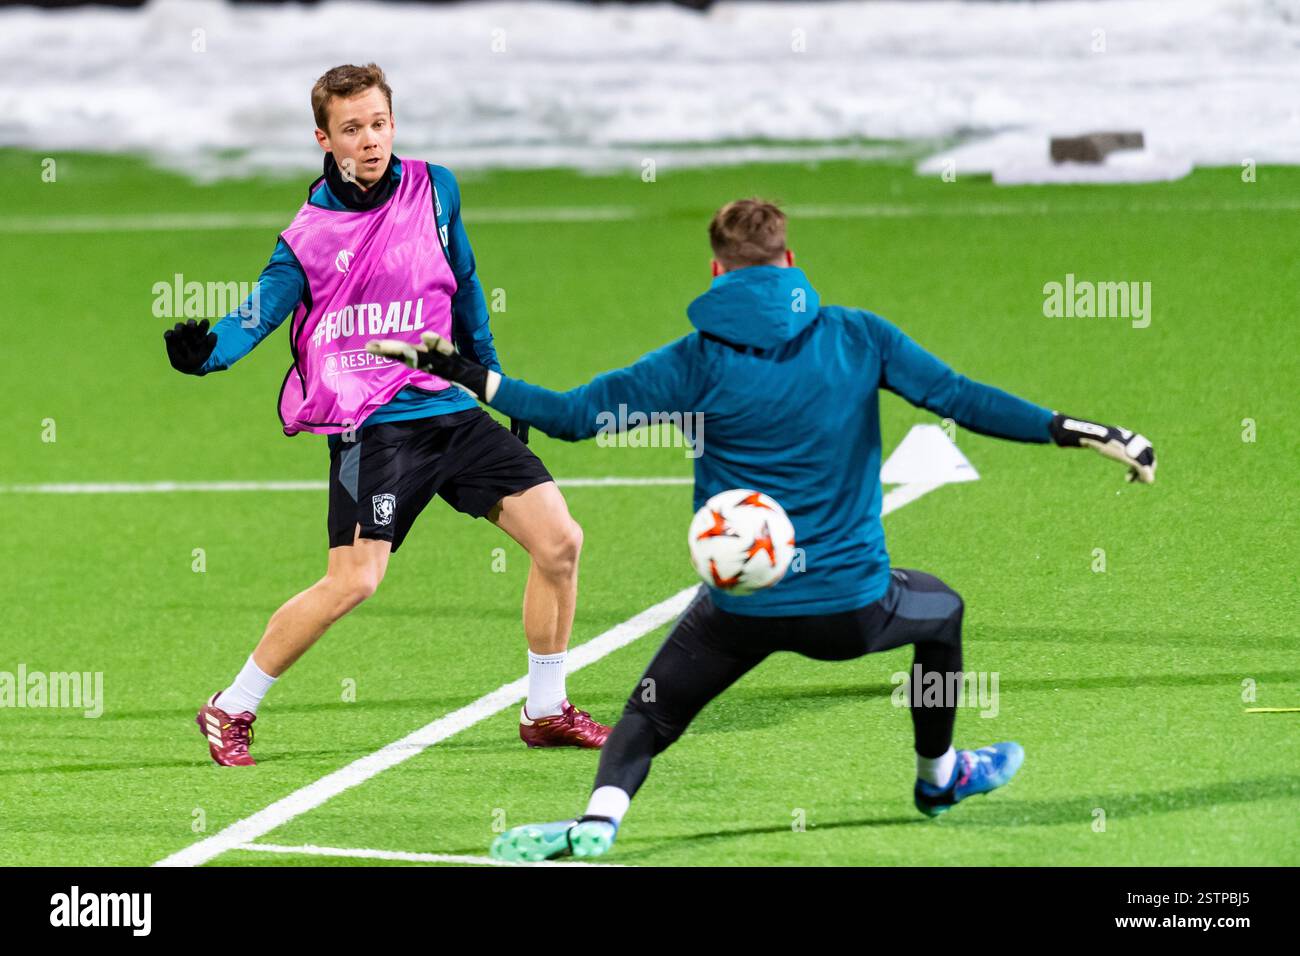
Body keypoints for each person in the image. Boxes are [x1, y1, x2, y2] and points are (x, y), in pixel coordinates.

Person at [369, 198, 1157, 860]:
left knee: (648, 711)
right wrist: (1075, 428)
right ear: (790, 263)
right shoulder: (858, 334)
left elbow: (573, 417)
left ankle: (599, 817)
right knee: (941, 612)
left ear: (716, 271)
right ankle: (939, 773)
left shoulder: (693, 359)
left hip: (741, 604)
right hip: (855, 603)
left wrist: (463, 371)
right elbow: (960, 397)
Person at [165, 63, 610, 767]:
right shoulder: (309, 236)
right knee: (355, 581)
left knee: (560, 541)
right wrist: (207, 354)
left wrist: (493, 380)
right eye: (351, 129)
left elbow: (463, 281)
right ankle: (232, 705)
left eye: (378, 123)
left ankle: (546, 708)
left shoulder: (437, 189)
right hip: (370, 424)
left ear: (393, 123)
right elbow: (257, 314)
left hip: (449, 409)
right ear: (324, 138)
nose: (369, 140)